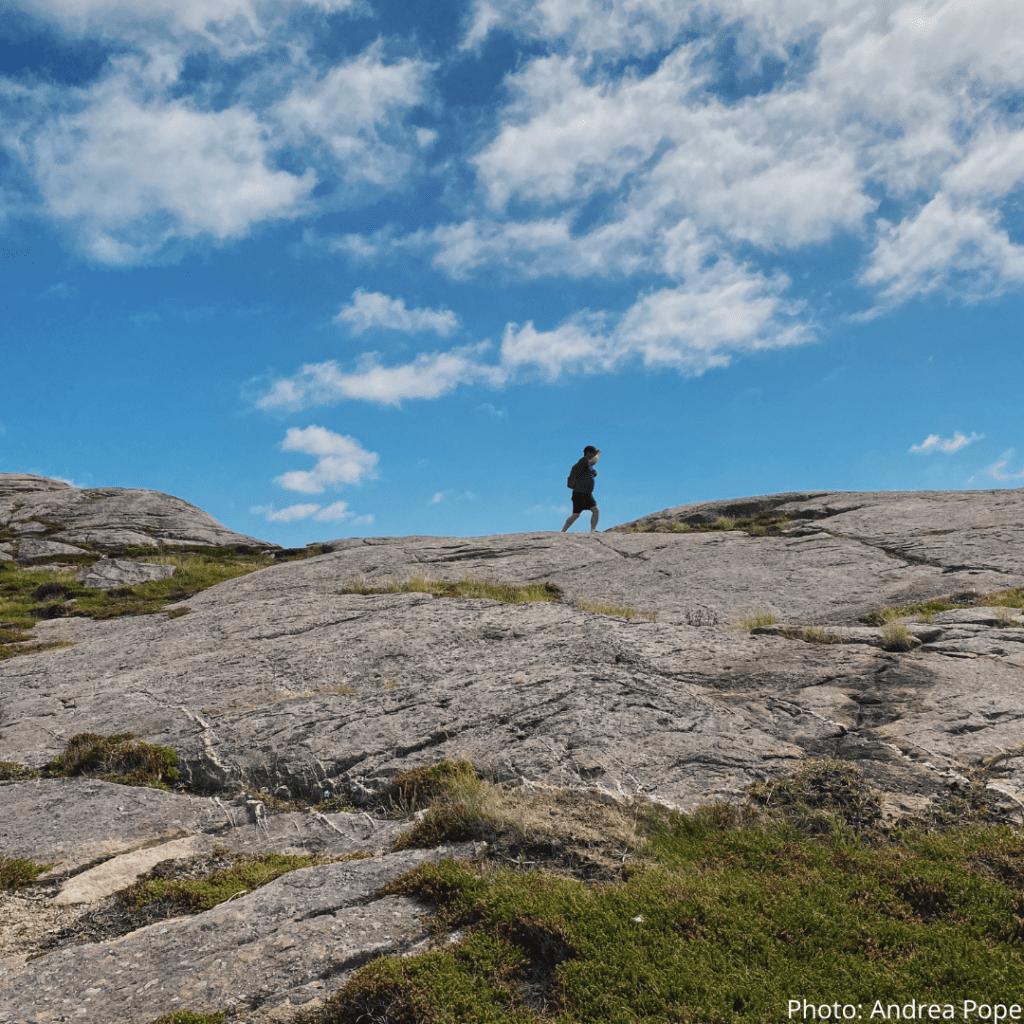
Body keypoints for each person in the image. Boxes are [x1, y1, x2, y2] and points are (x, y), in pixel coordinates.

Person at [561, 445, 601, 532]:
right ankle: (563, 531)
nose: (594, 455)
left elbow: (584, 474)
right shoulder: (583, 461)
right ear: (588, 453)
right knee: (576, 514)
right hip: (580, 493)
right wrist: (598, 455)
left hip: (585, 493)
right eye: (593, 453)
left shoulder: (585, 463)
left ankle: (593, 530)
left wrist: (592, 474)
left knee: (595, 510)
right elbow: (593, 462)